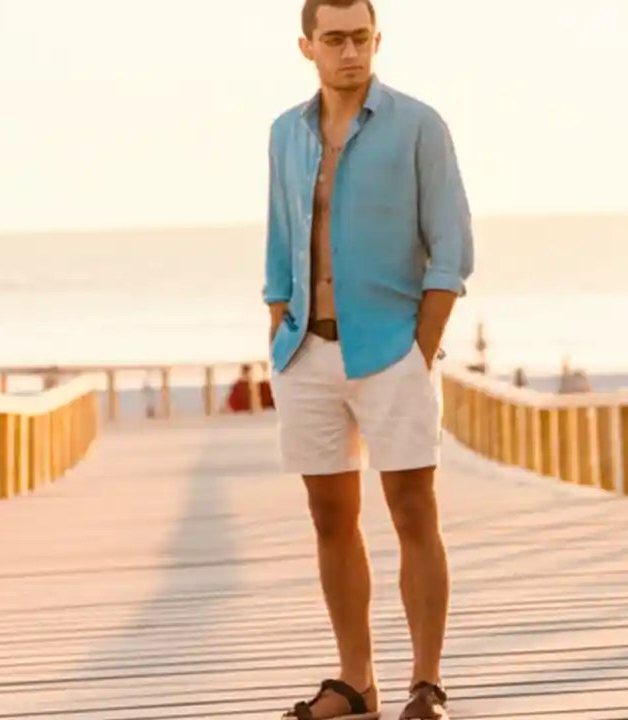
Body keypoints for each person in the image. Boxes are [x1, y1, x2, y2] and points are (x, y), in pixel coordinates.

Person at [262, 1, 472, 718]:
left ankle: (427, 682)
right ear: (307, 46)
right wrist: (277, 321)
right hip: (306, 350)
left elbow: (451, 249)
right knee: (330, 517)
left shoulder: (419, 126)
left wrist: (420, 346)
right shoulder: (285, 135)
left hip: (391, 351)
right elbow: (279, 239)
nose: (349, 52)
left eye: (360, 38)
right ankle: (358, 683)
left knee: (414, 510)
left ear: (376, 40)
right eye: (334, 39)